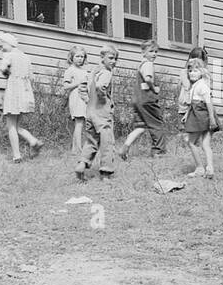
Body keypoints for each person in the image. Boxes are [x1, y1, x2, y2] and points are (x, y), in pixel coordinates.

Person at [0, 33, 43, 163]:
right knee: (17, 125)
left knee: (11, 125)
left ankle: (17, 156)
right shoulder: (25, 57)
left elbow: (3, 68)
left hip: (13, 92)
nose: (1, 49)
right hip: (24, 92)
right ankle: (33, 141)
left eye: (2, 46)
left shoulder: (8, 55)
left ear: (9, 43)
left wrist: (6, 72)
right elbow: (31, 75)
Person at [122, 39, 168, 159]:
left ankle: (125, 147)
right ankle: (158, 152)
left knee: (141, 127)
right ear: (143, 53)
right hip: (147, 99)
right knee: (157, 124)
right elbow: (148, 79)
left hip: (138, 100)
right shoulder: (148, 64)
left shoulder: (141, 65)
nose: (154, 54)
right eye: (151, 51)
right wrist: (154, 89)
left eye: (156, 51)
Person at [76, 47, 117, 181]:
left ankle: (82, 163)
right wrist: (103, 98)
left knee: (91, 140)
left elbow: (82, 87)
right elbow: (100, 87)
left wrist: (87, 99)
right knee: (107, 142)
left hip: (90, 111)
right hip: (102, 113)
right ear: (102, 57)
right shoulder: (106, 72)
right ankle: (106, 173)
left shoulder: (93, 71)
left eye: (115, 59)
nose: (114, 61)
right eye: (111, 58)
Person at [181, 57, 218, 178]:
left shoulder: (202, 86)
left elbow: (208, 102)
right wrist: (187, 114)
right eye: (190, 70)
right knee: (205, 144)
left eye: (195, 70)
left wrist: (212, 118)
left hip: (201, 116)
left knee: (191, 142)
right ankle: (209, 167)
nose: (192, 73)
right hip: (198, 114)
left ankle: (200, 168)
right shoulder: (196, 85)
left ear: (202, 72)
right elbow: (193, 103)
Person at [60, 45, 91, 155]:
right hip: (76, 97)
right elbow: (66, 86)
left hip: (84, 97)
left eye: (82, 56)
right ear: (72, 57)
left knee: (81, 123)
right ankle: (78, 149)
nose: (80, 59)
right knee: (79, 122)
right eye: (77, 56)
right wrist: (78, 83)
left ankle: (75, 149)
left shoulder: (85, 71)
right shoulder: (70, 70)